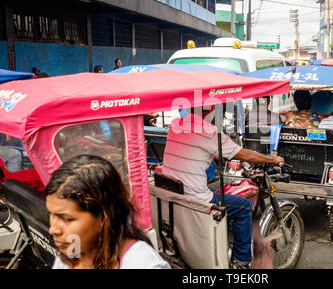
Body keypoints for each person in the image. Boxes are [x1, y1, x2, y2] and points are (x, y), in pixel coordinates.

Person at [162, 105, 284, 269]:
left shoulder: (176, 124)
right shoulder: (210, 132)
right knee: (243, 207)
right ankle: (242, 261)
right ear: (211, 109)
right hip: (195, 197)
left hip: (173, 191)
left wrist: (220, 152)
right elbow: (245, 154)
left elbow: (199, 147)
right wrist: (273, 160)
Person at [45, 154, 171, 269]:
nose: (53, 229)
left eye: (67, 218)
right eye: (52, 214)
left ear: (104, 215)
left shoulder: (142, 263)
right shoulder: (72, 251)